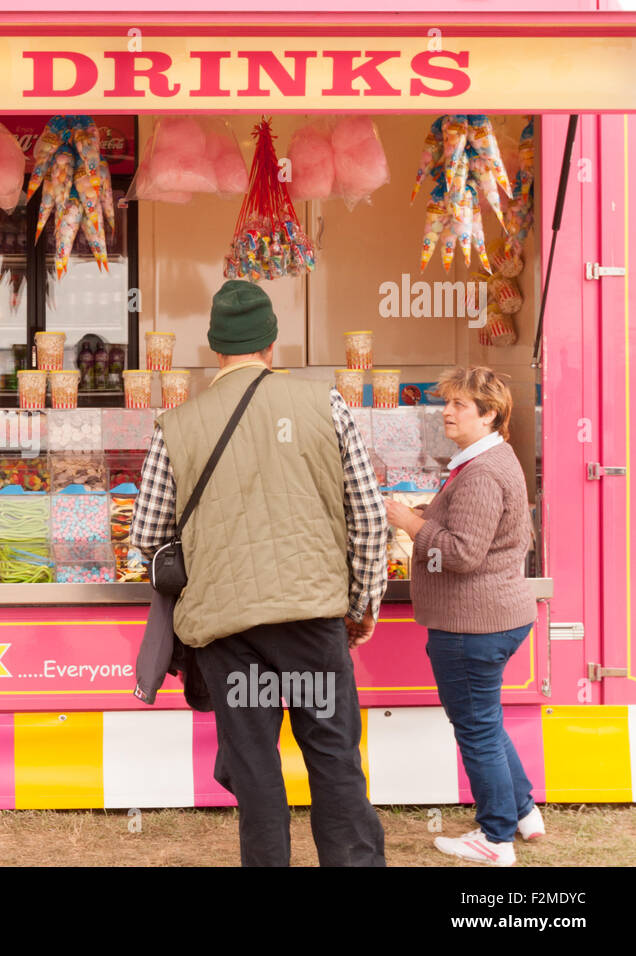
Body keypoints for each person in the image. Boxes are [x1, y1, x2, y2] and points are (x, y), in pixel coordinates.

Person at [130, 279, 388, 867]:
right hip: (311, 626)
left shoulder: (176, 425)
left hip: (228, 632)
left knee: (255, 773)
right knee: (333, 758)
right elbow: (369, 519)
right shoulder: (326, 403)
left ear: (215, 346)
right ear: (272, 343)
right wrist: (361, 604)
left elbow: (147, 539)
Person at [385, 367, 541, 866]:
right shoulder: (490, 459)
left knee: (475, 729)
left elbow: (462, 553)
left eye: (458, 405)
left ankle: (495, 840)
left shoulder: (483, 471)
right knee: (486, 723)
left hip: (472, 624)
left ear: (489, 413)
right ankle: (522, 812)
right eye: (445, 402)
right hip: (495, 615)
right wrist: (432, 512)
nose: (446, 412)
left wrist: (410, 521)